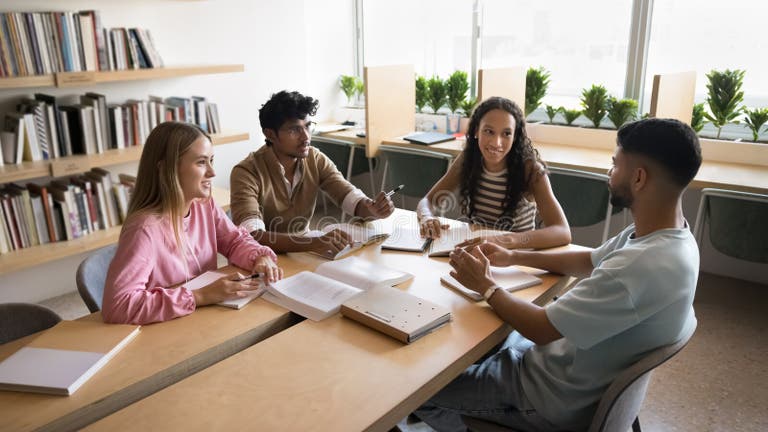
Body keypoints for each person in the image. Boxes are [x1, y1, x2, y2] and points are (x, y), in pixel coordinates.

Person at [414, 117, 702, 431]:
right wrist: (513, 256)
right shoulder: (669, 238)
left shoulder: (640, 268)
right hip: (563, 366)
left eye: (615, 164)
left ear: (639, 178)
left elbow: (541, 329)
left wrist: (485, 285)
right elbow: (588, 261)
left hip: (545, 396)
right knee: (469, 344)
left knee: (419, 392)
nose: (609, 173)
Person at [102, 122, 283, 325]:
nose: (212, 172)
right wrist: (199, 296)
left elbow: (233, 241)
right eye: (201, 162)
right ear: (166, 169)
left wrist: (258, 257)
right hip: (165, 329)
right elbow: (117, 306)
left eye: (211, 160)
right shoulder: (144, 229)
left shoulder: (204, 205)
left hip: (203, 319)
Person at [230, 90, 394, 258]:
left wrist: (373, 210)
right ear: (270, 134)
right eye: (294, 130)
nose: (306, 137)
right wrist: (313, 243)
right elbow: (252, 236)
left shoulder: (314, 158)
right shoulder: (246, 172)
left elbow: (350, 199)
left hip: (304, 253)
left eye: (308, 126)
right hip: (263, 259)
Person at [417, 96, 570, 250]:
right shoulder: (468, 159)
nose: (496, 142)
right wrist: (426, 218)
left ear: (515, 136)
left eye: (506, 134)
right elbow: (428, 201)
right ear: (476, 130)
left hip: (517, 258)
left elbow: (562, 231)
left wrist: (503, 240)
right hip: (477, 253)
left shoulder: (531, 170)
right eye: (489, 131)